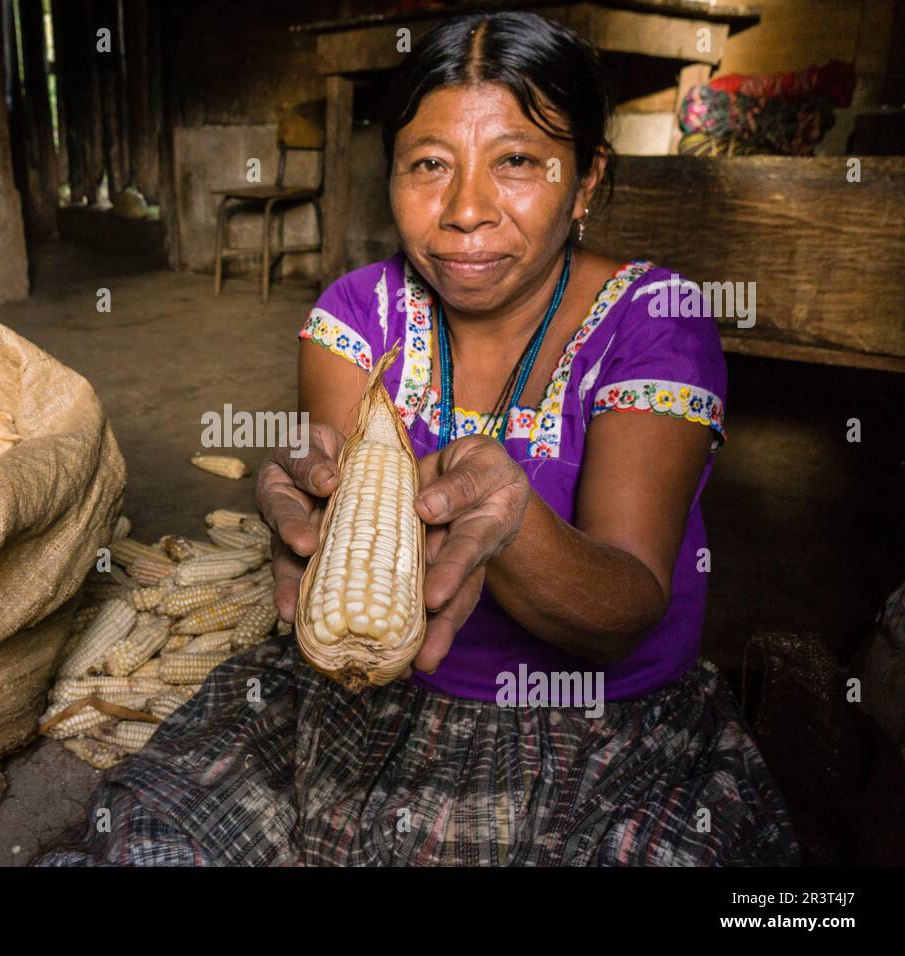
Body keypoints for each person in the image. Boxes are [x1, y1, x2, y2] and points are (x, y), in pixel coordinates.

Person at [39, 10, 799, 866]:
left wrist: (512, 524)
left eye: (517, 162)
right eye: (428, 165)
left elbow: (623, 610)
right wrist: (317, 521)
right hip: (369, 702)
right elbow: (339, 523)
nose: (466, 210)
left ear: (587, 181)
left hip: (600, 725)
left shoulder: (657, 320)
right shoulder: (357, 319)